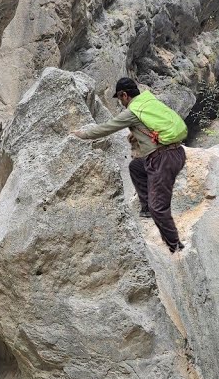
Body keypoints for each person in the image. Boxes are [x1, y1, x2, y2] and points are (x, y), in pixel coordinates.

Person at [72, 77, 188, 252]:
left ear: (124, 95)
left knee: (159, 208)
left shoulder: (132, 111)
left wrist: (82, 134)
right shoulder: (148, 102)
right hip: (177, 152)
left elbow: (107, 127)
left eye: (120, 99)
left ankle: (176, 247)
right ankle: (146, 208)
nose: (121, 103)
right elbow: (154, 123)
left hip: (163, 158)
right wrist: (140, 134)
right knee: (136, 167)